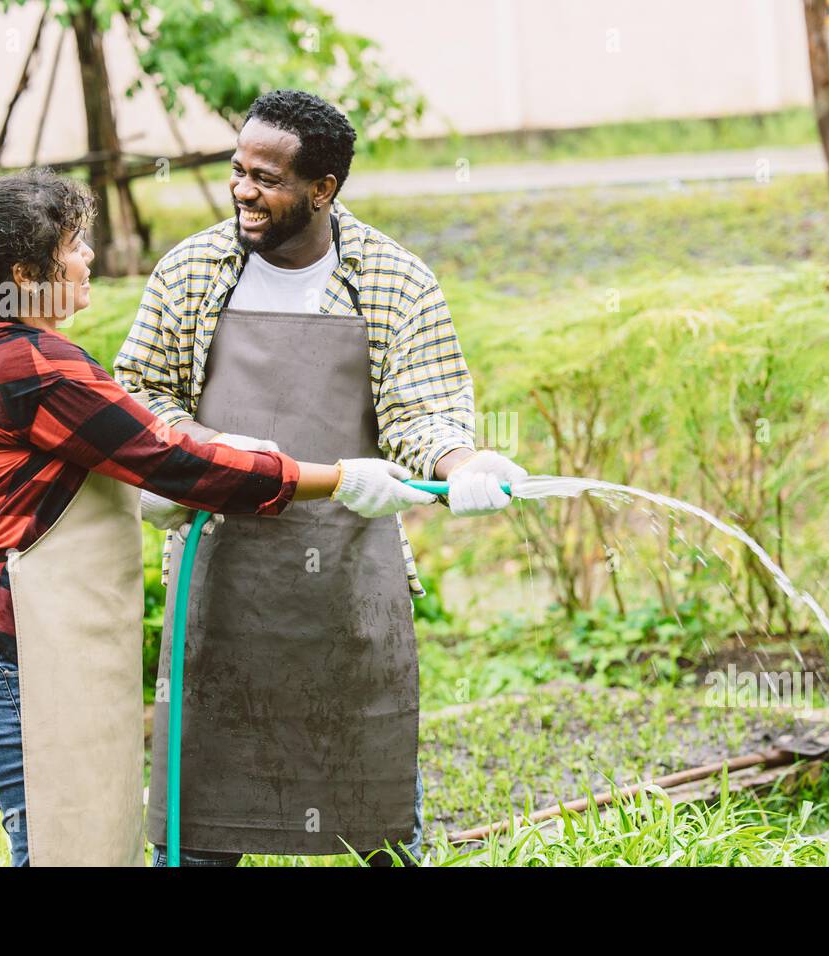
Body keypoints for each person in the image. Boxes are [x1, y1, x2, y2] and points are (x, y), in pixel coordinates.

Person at [0, 168, 433, 866]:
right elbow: (173, 460)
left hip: (23, 634)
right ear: (25, 270)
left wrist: (207, 454)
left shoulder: (14, 349)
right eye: (74, 245)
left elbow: (141, 451)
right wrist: (340, 477)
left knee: (83, 843)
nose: (89, 257)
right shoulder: (35, 367)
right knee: (57, 848)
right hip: (9, 638)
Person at [114, 89, 527, 867]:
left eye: (266, 178)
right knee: (200, 823)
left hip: (348, 582)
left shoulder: (394, 281)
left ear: (323, 189)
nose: (243, 189)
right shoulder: (192, 271)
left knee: (376, 819)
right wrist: (213, 449)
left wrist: (461, 464)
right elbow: (139, 394)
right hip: (218, 578)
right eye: (238, 170)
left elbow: (422, 410)